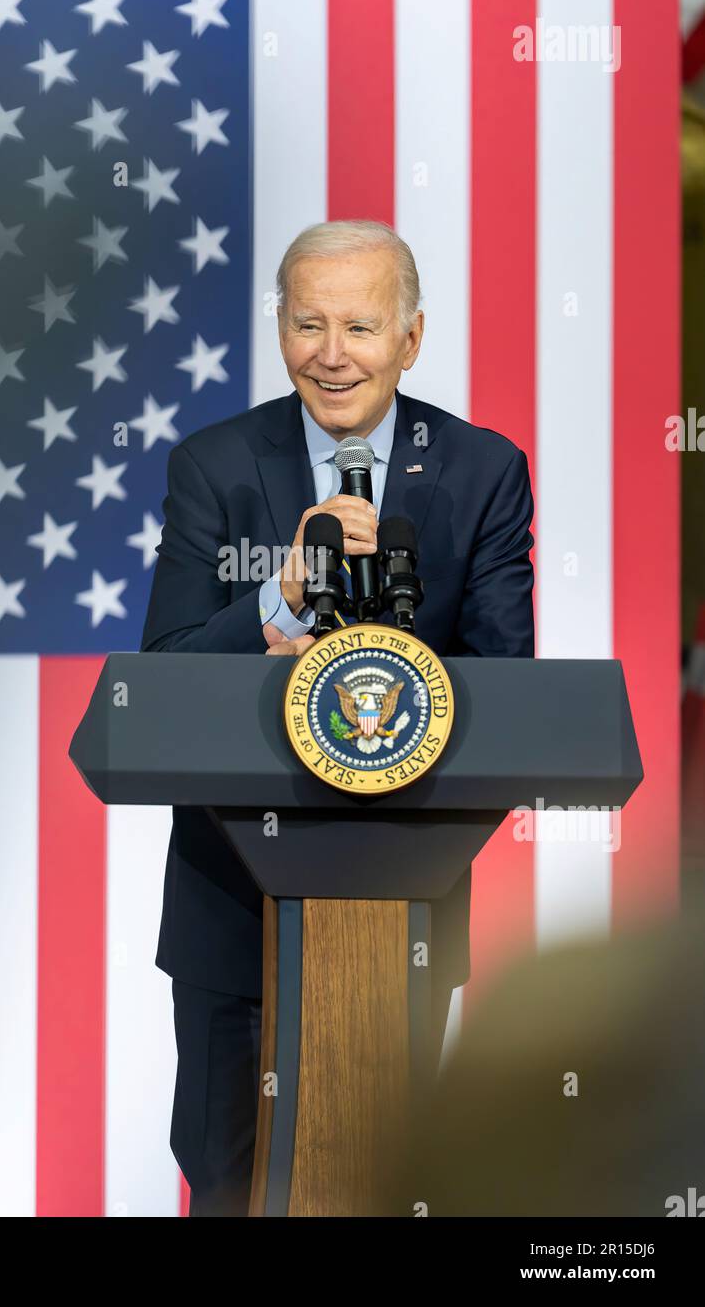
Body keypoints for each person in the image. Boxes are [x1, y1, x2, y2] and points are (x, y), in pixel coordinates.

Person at [141, 218, 535, 1215]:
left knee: (384, 1183)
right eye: (305, 323)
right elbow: (162, 680)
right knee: (231, 1179)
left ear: (409, 339)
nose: (330, 352)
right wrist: (277, 600)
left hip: (397, 895)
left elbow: (504, 683)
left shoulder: (482, 471)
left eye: (358, 326)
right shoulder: (214, 464)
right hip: (233, 904)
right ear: (278, 329)